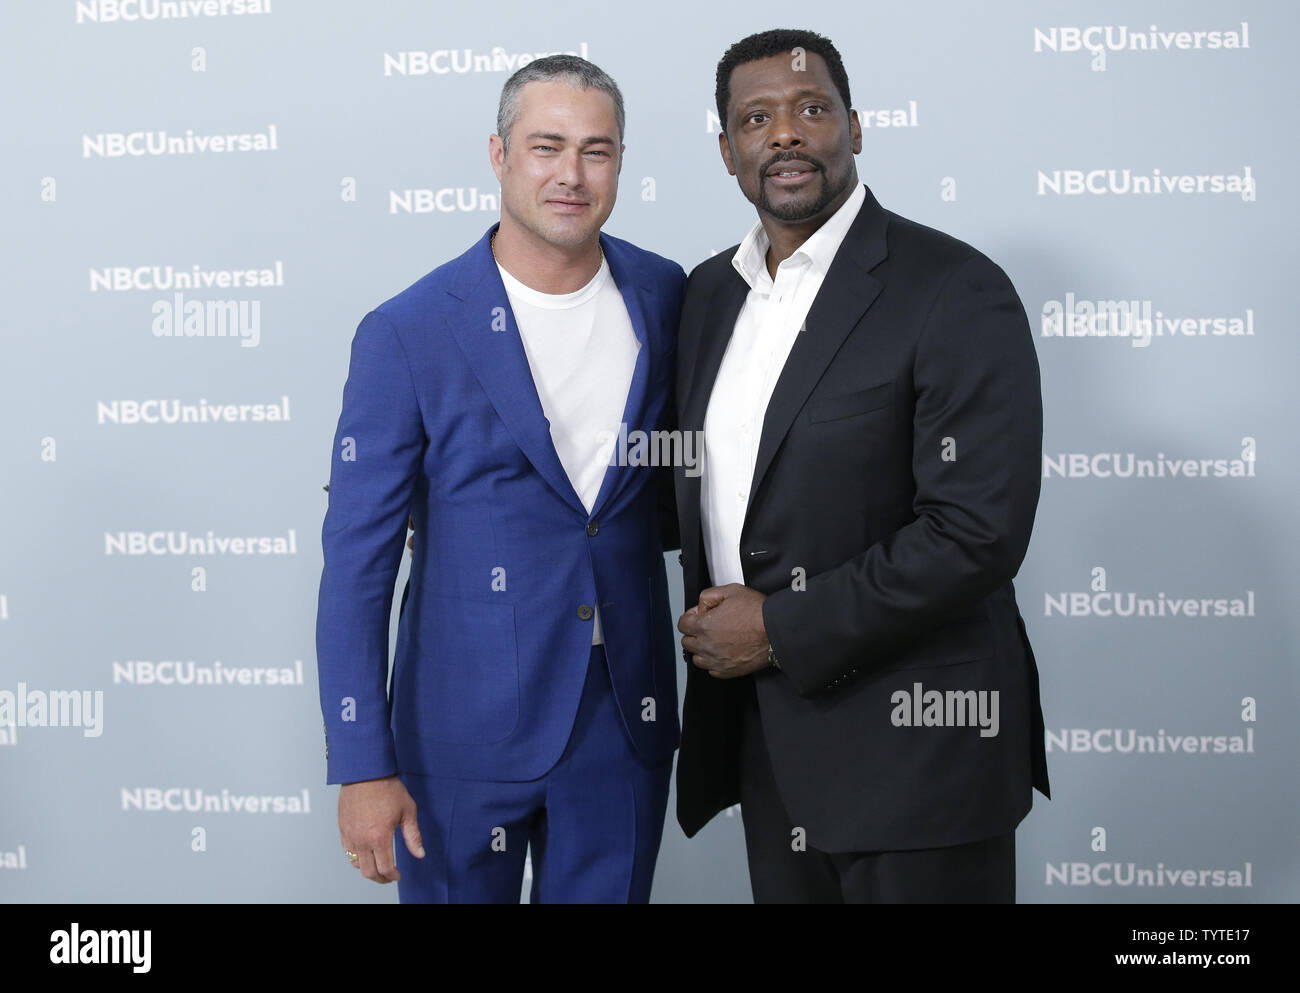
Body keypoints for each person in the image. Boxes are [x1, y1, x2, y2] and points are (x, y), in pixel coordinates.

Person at [673, 28, 1050, 903]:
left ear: (855, 125)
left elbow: (975, 533)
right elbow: (706, 490)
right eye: (756, 117)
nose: (787, 135)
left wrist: (778, 628)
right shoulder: (707, 295)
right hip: (771, 752)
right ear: (727, 149)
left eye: (812, 109)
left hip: (921, 760)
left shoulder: (954, 287)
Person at [316, 55, 685, 903]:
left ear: (621, 162)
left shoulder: (664, 294)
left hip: (621, 718)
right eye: (546, 146)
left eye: (596, 151)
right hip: (456, 731)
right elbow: (358, 567)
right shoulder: (407, 330)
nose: (570, 174)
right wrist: (363, 764)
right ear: (498, 155)